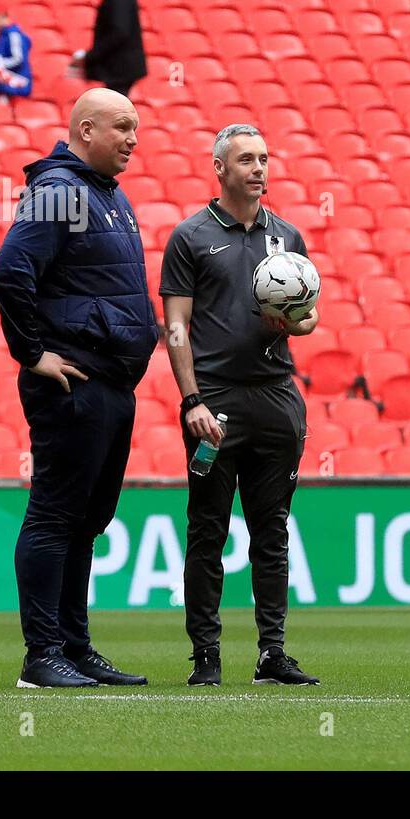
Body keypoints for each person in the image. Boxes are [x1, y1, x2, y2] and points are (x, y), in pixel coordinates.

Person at [0, 88, 159, 688]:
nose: (134, 138)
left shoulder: (109, 196)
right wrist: (34, 355)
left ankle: (74, 646)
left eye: (136, 127)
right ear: (85, 131)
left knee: (87, 519)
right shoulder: (60, 190)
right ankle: (42, 656)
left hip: (112, 383)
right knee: (55, 515)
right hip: (73, 382)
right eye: (122, 127)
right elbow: (10, 273)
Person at [160, 125, 319, 688]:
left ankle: (272, 654)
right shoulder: (191, 237)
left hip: (276, 401)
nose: (258, 168)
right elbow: (176, 326)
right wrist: (191, 400)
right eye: (245, 159)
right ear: (220, 169)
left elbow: (303, 319)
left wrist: (297, 321)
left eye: (264, 158)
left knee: (272, 532)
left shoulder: (289, 239)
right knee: (208, 531)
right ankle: (206, 654)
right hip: (215, 406)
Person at [81, 0, 147, 97]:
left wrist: (92, 55)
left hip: (121, 67)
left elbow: (119, 32)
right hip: (121, 66)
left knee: (115, 108)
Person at [0, 9, 32, 98]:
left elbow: (18, 59)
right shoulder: (3, 35)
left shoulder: (13, 35)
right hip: (6, 87)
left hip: (16, 88)